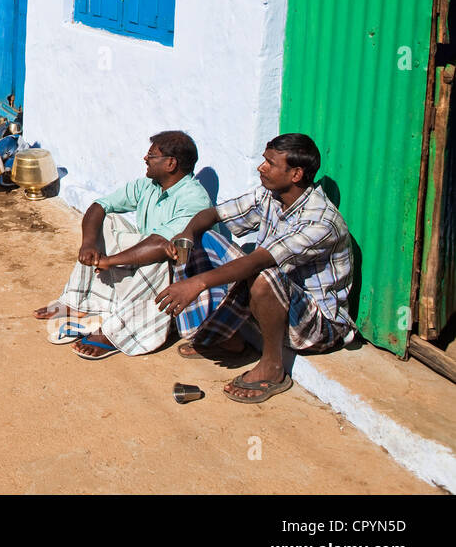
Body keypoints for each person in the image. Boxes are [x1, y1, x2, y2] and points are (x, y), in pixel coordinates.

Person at [156, 133, 355, 403]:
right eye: (264, 160)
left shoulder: (321, 222)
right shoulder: (270, 196)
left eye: (270, 164)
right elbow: (214, 214)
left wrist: (197, 283)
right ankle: (228, 337)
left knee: (263, 274)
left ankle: (273, 367)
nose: (262, 168)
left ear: (296, 174)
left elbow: (259, 261)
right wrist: (188, 233)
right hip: (278, 300)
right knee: (202, 238)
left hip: (318, 325)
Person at [33, 131, 216, 359]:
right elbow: (100, 205)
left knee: (158, 254)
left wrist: (109, 261)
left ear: (170, 164)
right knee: (107, 221)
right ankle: (81, 301)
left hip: (184, 273)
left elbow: (162, 244)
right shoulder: (149, 185)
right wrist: (88, 245)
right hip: (152, 253)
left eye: (151, 156)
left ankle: (118, 332)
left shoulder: (193, 198)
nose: (145, 159)